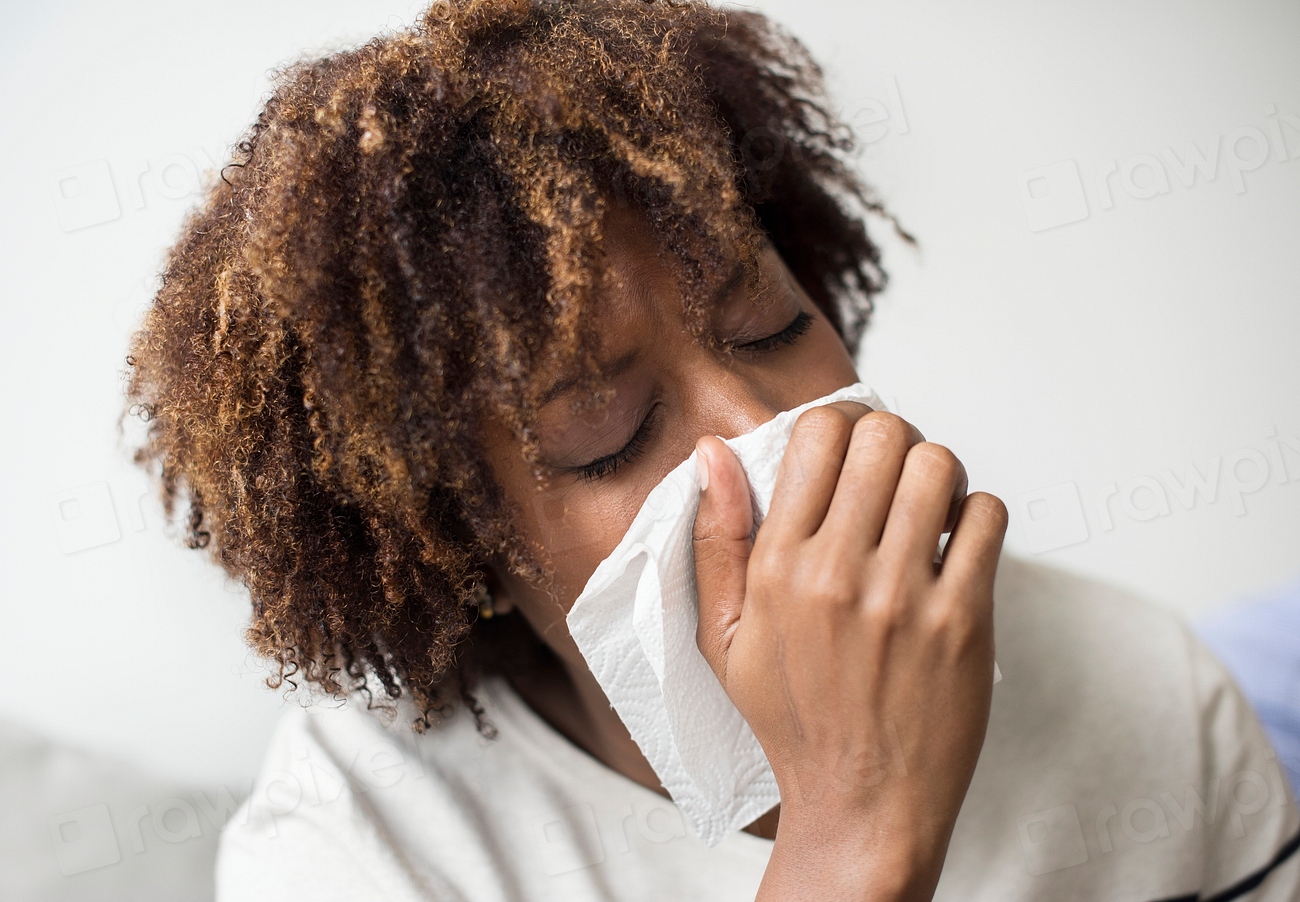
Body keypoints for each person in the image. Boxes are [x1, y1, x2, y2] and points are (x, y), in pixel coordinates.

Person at [122, 1, 1300, 898]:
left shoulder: (1145, 687)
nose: (755, 425)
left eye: (772, 325)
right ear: (456, 543)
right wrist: (849, 829)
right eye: (609, 431)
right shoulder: (357, 837)